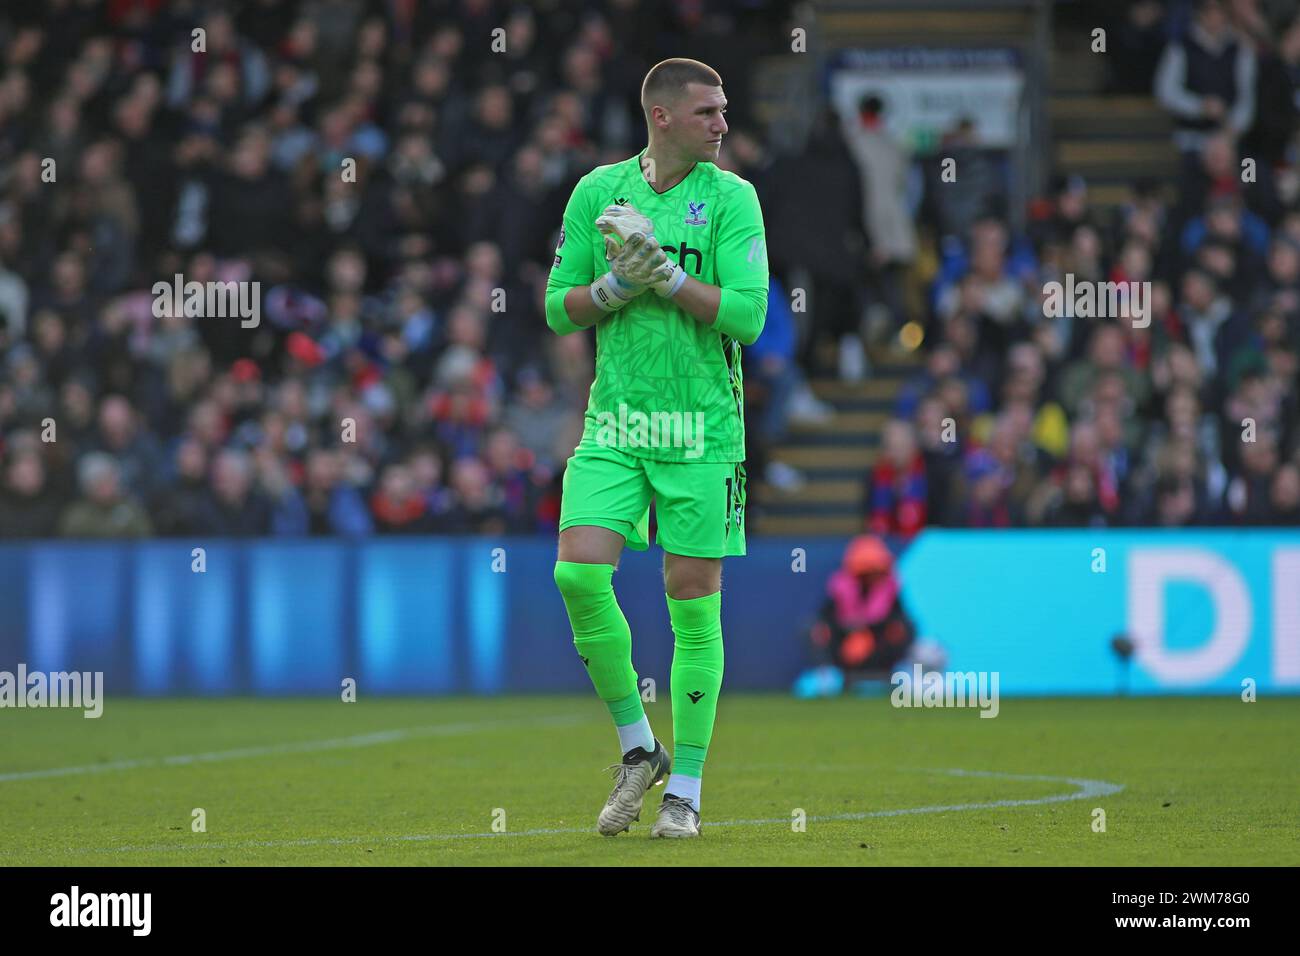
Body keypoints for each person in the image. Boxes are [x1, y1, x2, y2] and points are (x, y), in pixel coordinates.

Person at [543, 58, 768, 838]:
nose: (723, 124)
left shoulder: (733, 199)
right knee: (577, 574)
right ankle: (640, 750)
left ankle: (688, 792)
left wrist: (665, 277)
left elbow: (747, 318)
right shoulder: (598, 191)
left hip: (704, 430)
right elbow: (557, 308)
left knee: (691, 608)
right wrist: (615, 289)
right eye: (709, 111)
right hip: (616, 423)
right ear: (662, 116)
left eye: (724, 109)